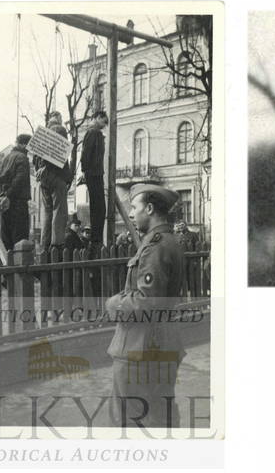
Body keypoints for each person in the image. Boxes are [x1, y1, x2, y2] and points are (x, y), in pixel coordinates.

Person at [105, 184, 185, 428]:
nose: (130, 214)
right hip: (160, 344)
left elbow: (145, 301)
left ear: (149, 209)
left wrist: (113, 303)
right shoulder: (167, 241)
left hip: (140, 349)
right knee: (160, 418)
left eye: (134, 207)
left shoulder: (156, 246)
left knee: (127, 424)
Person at [35, 111, 72, 255]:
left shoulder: (42, 132)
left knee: (48, 211)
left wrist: (42, 168)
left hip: (43, 179)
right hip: (56, 175)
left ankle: (45, 245)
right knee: (59, 210)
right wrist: (47, 166)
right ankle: (56, 245)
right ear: (58, 118)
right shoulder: (59, 129)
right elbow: (59, 152)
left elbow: (35, 159)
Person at [0, 134, 32, 251]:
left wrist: (2, 197)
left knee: (7, 241)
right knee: (20, 242)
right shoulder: (22, 158)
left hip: (4, 206)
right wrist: (8, 196)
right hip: (18, 204)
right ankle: (18, 269)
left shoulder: (3, 160)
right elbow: (20, 180)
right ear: (24, 145)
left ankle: (9, 267)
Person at [81, 110, 108, 247]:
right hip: (94, 174)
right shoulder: (93, 133)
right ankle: (96, 240)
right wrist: (86, 172)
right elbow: (85, 155)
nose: (104, 125)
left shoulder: (95, 133)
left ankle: (96, 239)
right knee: (99, 209)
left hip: (96, 174)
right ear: (98, 118)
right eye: (103, 122)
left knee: (99, 208)